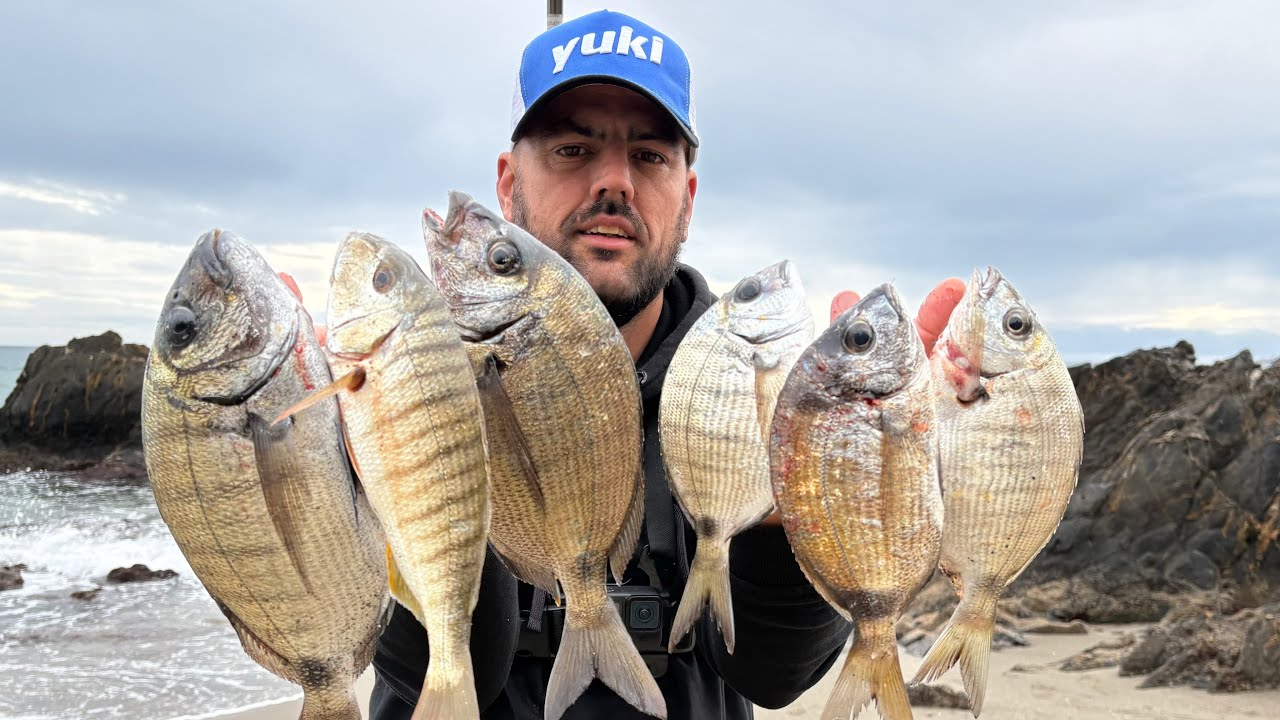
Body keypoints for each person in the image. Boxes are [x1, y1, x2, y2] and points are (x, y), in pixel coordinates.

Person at [367, 9, 963, 719]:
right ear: (507, 182)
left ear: (688, 194)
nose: (612, 181)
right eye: (571, 150)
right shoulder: (407, 373)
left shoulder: (748, 383)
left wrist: (820, 486)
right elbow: (426, 667)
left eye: (650, 155)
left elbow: (773, 675)